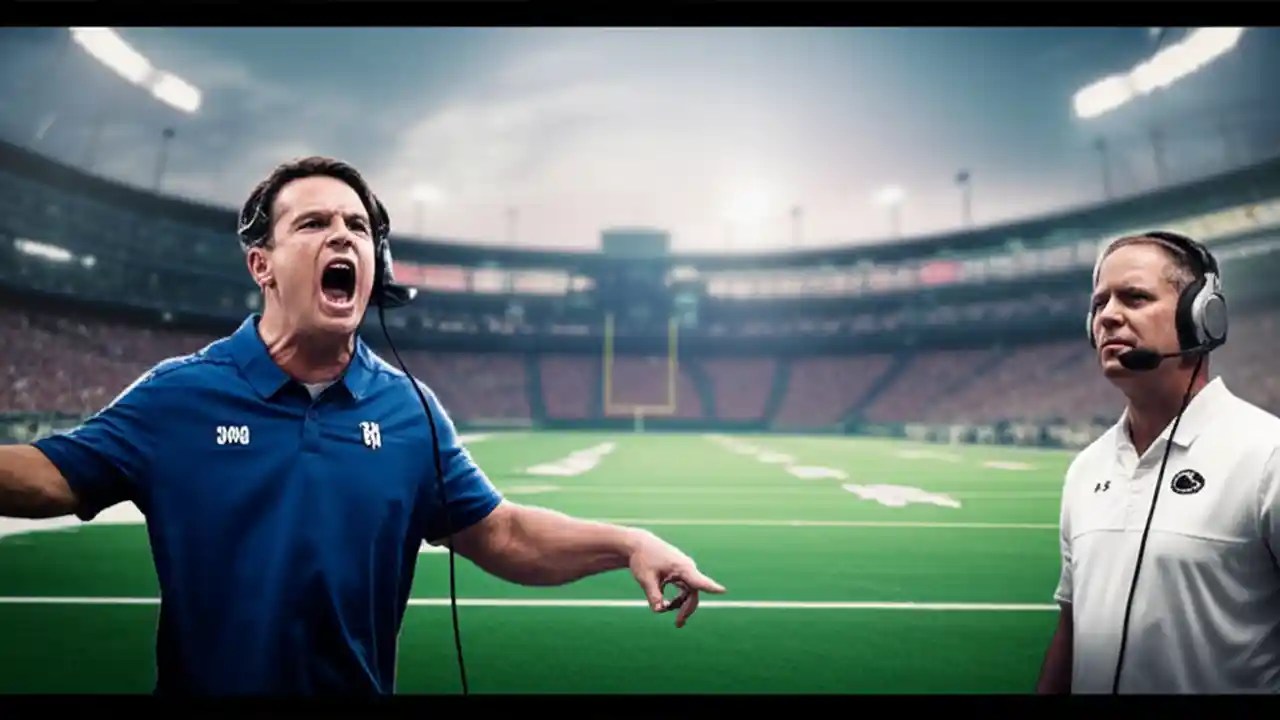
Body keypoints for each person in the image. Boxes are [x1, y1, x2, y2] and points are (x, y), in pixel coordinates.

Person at [0, 156, 725, 695]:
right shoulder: (180, 395)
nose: (342, 237)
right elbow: (49, 477)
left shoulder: (409, 410)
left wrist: (627, 542)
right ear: (263, 264)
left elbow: (501, 534)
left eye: (358, 228)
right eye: (313, 223)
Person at [1036, 230, 1280, 694]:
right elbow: (1070, 632)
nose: (1108, 316)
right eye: (1099, 303)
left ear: (1202, 317)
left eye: (1135, 297)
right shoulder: (1085, 469)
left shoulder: (1268, 456)